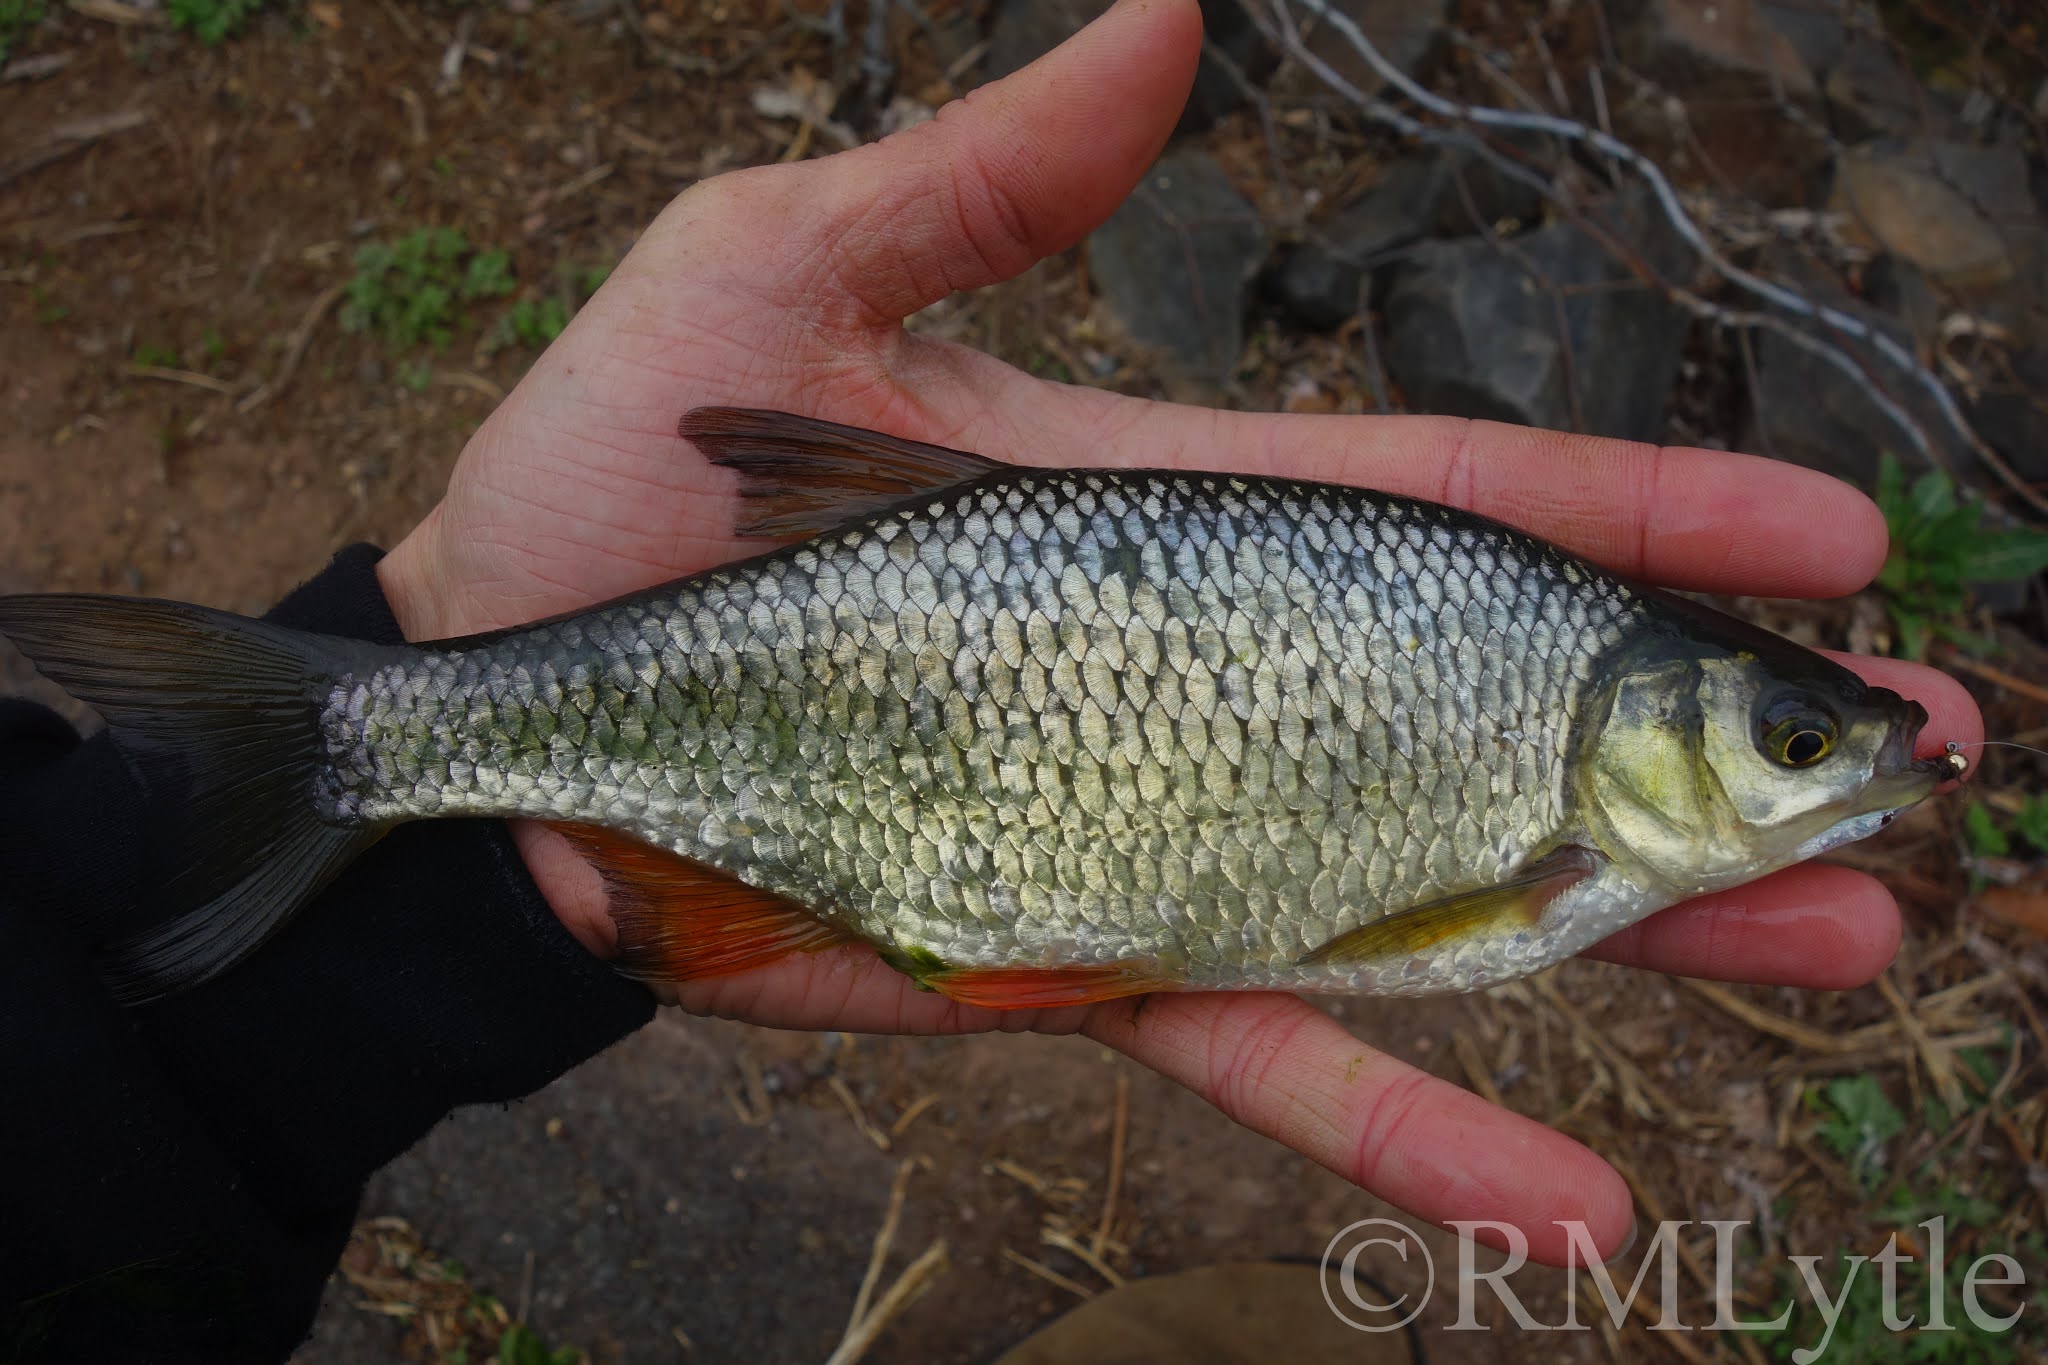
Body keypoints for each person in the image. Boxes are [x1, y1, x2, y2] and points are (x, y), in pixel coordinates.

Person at [0, 0, 1980, 1359]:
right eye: (1788, 739)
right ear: (1651, 725)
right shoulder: (1546, 826)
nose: (1821, 767)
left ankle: (315, 746)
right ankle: (329, 738)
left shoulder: (1561, 756)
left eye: (1801, 741)